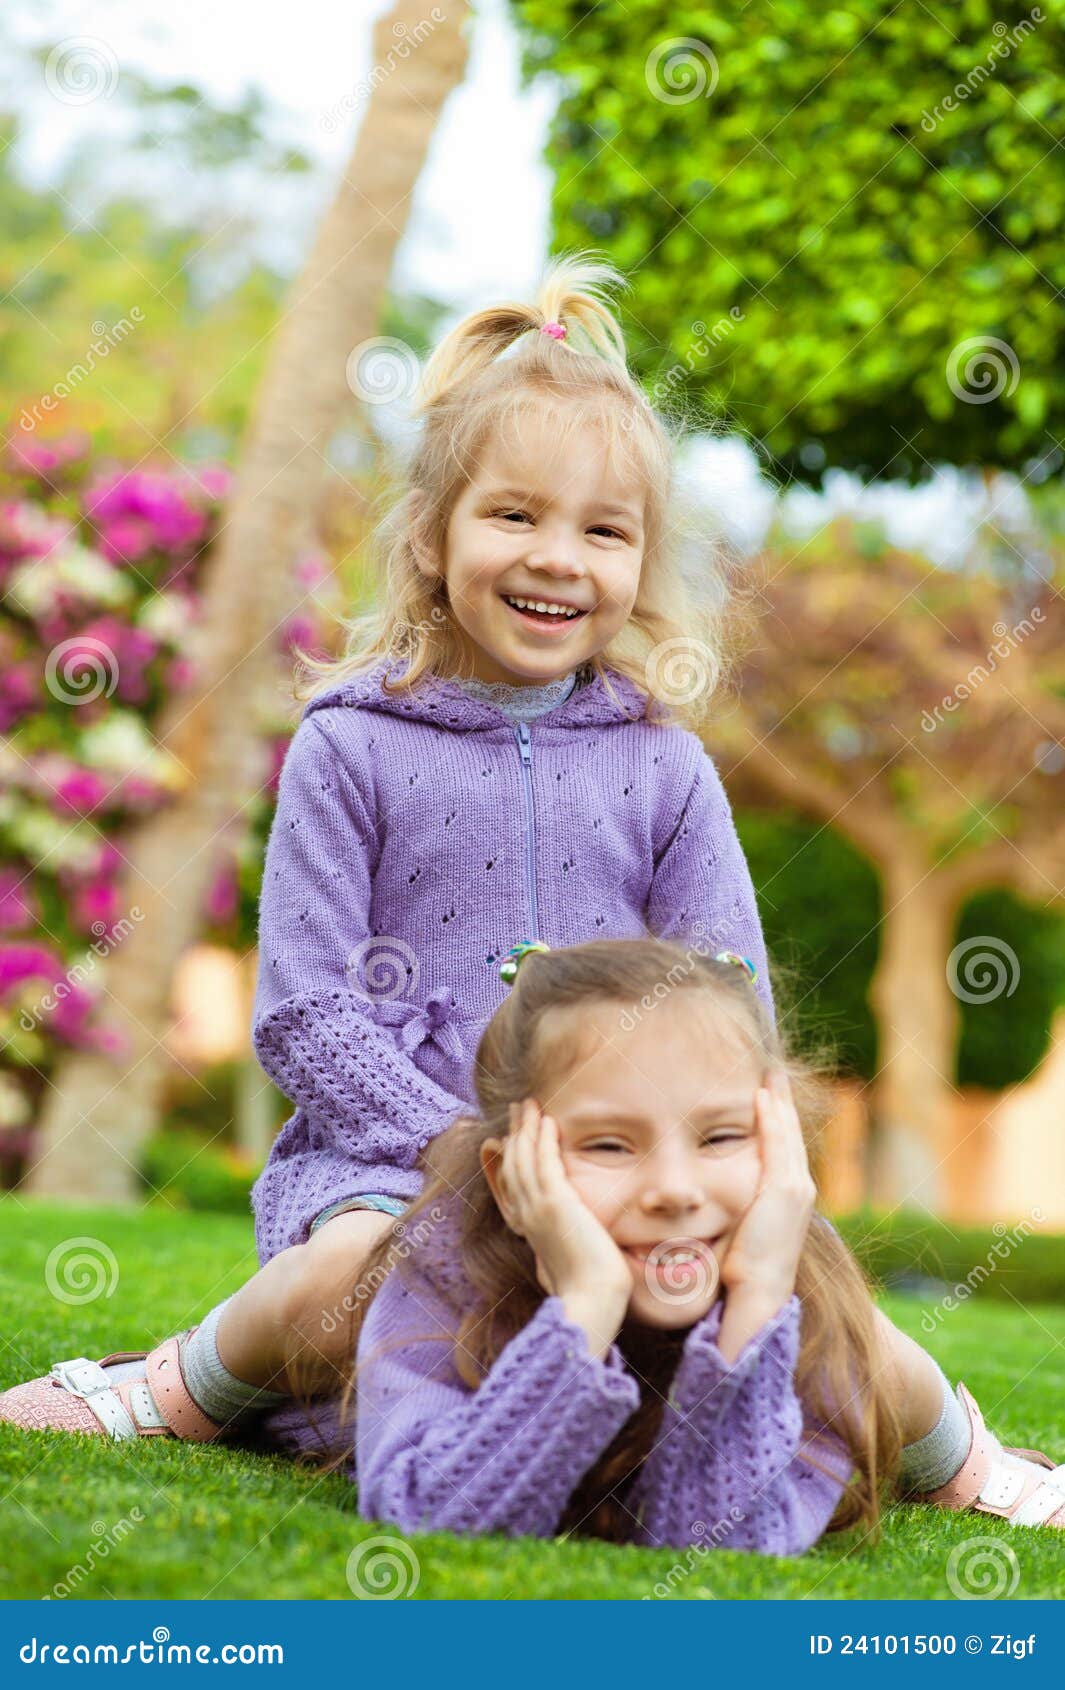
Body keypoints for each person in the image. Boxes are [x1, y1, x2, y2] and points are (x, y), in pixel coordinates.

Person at [3, 255, 1063, 1537]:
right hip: (391, 1165)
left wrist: (686, 1163)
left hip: (635, 1171)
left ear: (641, 562)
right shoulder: (350, 748)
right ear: (432, 535)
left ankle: (956, 1456)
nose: (557, 559)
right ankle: (186, 1387)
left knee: (826, 1296)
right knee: (347, 1279)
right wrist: (473, 1156)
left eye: (603, 531)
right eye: (514, 516)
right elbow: (306, 1015)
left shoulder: (665, 767)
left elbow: (726, 1000)